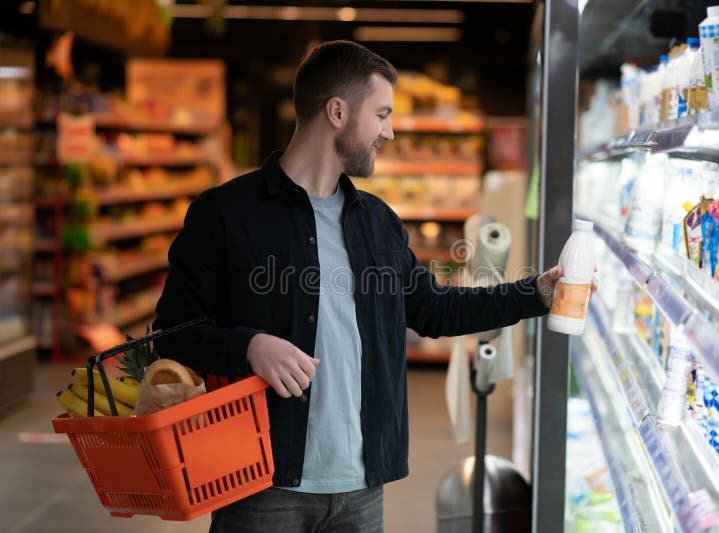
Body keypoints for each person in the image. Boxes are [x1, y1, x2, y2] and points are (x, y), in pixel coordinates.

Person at [153, 40, 581, 533]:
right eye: (381, 114)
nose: (390, 130)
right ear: (337, 111)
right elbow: (172, 333)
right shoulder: (225, 214)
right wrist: (249, 345)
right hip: (262, 483)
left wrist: (535, 294)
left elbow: (432, 310)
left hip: (361, 490)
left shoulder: (377, 221)